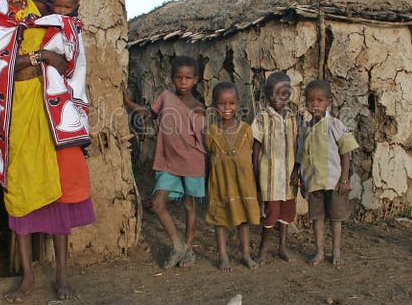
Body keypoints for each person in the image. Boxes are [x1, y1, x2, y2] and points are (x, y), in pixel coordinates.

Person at [0, 0, 94, 302]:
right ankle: (27, 279)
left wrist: (43, 57)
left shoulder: (46, 5)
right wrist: (39, 56)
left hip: (50, 109)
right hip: (15, 112)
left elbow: (69, 48)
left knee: (59, 190)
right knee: (19, 192)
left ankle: (62, 276)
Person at [123, 55, 205, 269]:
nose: (183, 82)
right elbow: (149, 114)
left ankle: (189, 249)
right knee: (157, 203)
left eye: (188, 78)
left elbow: (203, 141)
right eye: (179, 77)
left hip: (192, 162)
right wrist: (128, 103)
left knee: (189, 206)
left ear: (196, 80)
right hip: (169, 162)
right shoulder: (166, 97)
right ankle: (177, 245)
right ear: (172, 78)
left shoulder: (197, 108)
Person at [297, 79, 359, 266]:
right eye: (310, 100)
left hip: (333, 182)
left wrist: (344, 179)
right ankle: (319, 251)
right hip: (314, 182)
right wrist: (300, 177)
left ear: (328, 102)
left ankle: (336, 251)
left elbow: (346, 152)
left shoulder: (334, 125)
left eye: (320, 100)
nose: (314, 104)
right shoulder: (305, 128)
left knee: (335, 218)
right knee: (317, 218)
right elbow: (302, 156)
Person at [205, 82, 261, 271]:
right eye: (222, 104)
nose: (227, 108)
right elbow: (209, 156)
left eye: (231, 103)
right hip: (221, 183)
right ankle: (223, 256)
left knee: (243, 219)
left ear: (238, 103)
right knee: (220, 219)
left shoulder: (246, 130)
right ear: (214, 105)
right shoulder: (211, 132)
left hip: (242, 183)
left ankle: (245, 254)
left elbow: (251, 154)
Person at [252, 72, 299, 263]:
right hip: (269, 176)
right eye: (272, 94)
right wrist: (255, 173)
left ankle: (282, 248)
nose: (276, 98)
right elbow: (256, 147)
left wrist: (296, 169)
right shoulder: (262, 118)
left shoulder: (292, 117)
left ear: (288, 94)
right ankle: (263, 249)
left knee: (287, 213)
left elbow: (297, 146)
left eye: (282, 94)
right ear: (266, 95)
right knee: (271, 213)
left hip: (288, 176)